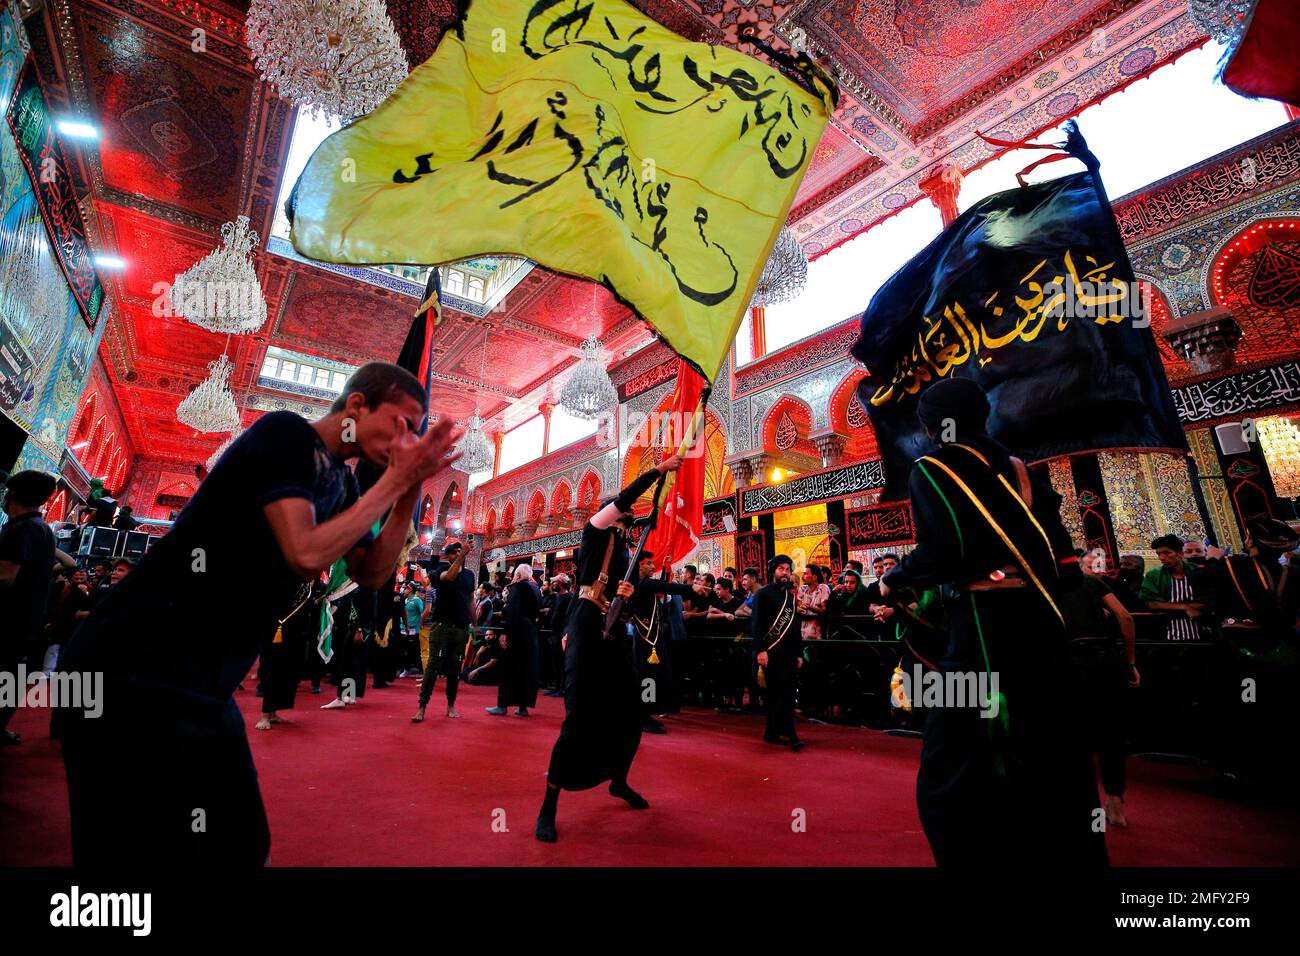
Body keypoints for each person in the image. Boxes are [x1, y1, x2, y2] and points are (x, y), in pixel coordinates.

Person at [57, 362, 462, 865]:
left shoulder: (345, 484)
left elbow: (374, 574)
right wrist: (395, 479)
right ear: (357, 406)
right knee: (125, 856)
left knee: (239, 845)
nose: (410, 439)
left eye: (418, 431)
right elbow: (307, 554)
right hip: (132, 663)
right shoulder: (286, 433)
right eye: (403, 422)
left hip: (203, 682)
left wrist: (404, 498)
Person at [878, 377, 1105, 868]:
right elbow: (1066, 568)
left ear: (931, 428)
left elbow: (943, 551)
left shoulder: (932, 471)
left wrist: (893, 578)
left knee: (950, 762)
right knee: (1052, 745)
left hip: (980, 633)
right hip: (1043, 628)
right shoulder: (1023, 472)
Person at [535, 454, 683, 843]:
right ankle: (549, 803)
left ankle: (618, 781)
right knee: (578, 717)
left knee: (630, 713)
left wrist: (627, 593)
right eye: (623, 511)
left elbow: (628, 593)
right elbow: (622, 500)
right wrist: (658, 471)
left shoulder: (622, 548)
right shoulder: (594, 531)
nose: (627, 514)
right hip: (586, 626)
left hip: (614, 632)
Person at [1059, 548, 1139, 827]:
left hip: (1068, 663)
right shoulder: (1091, 583)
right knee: (1111, 733)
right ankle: (1114, 802)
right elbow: (1125, 617)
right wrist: (1129, 661)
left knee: (1072, 735)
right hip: (1105, 661)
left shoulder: (1046, 587)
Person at [0, 471, 58, 744]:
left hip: (7, 621)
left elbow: (5, 577)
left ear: (12, 494)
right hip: (25, 623)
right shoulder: (42, 529)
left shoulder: (20, 530)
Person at [630, 550, 699, 731]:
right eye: (649, 564)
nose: (653, 566)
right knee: (647, 677)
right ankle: (643, 716)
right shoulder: (642, 583)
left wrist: (667, 570)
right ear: (639, 566)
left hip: (652, 637)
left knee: (652, 676)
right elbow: (666, 587)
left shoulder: (645, 583)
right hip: (646, 638)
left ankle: (648, 712)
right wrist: (691, 588)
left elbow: (661, 586)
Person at [413, 540, 473, 723]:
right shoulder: (440, 572)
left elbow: (470, 599)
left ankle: (451, 705)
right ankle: (421, 707)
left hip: (461, 628)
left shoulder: (470, 575)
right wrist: (462, 555)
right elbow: (450, 577)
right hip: (442, 626)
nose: (458, 554)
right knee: (432, 667)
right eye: (455, 552)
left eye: (459, 552)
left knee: (454, 669)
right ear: (449, 556)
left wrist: (475, 622)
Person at [751, 554, 803, 749]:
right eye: (781, 569)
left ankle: (771, 732)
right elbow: (757, 624)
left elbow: (794, 627)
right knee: (776, 695)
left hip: (789, 654)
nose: (785, 573)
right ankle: (790, 733)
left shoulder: (790, 596)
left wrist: (799, 653)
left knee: (787, 694)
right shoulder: (762, 594)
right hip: (771, 653)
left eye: (788, 569)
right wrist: (761, 650)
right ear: (773, 571)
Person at [488, 564, 542, 716]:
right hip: (530, 633)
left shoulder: (518, 588)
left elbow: (512, 610)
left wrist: (505, 632)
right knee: (525, 669)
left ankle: (502, 705)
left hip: (516, 632)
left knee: (508, 667)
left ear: (517, 575)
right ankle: (523, 707)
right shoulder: (536, 589)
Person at [1139, 535, 1206, 642]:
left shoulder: (1198, 572)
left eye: (1166, 553)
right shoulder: (1153, 576)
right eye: (1158, 554)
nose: (1161, 558)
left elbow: (1210, 601)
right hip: (1169, 635)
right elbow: (1151, 604)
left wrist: (1169, 606)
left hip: (1203, 633)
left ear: (1180, 553)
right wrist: (1186, 607)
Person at [543, 575, 573, 697]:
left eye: (554, 582)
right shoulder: (556, 597)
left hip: (563, 634)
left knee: (562, 661)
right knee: (555, 661)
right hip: (554, 633)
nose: (552, 584)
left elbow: (569, 616)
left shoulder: (569, 597)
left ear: (560, 583)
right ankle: (556, 687)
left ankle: (563, 688)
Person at [796, 564, 830, 640]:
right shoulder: (802, 589)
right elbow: (799, 607)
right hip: (803, 630)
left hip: (819, 632)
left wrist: (810, 608)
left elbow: (825, 610)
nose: (803, 576)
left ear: (814, 577)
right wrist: (798, 609)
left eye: (805, 574)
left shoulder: (823, 588)